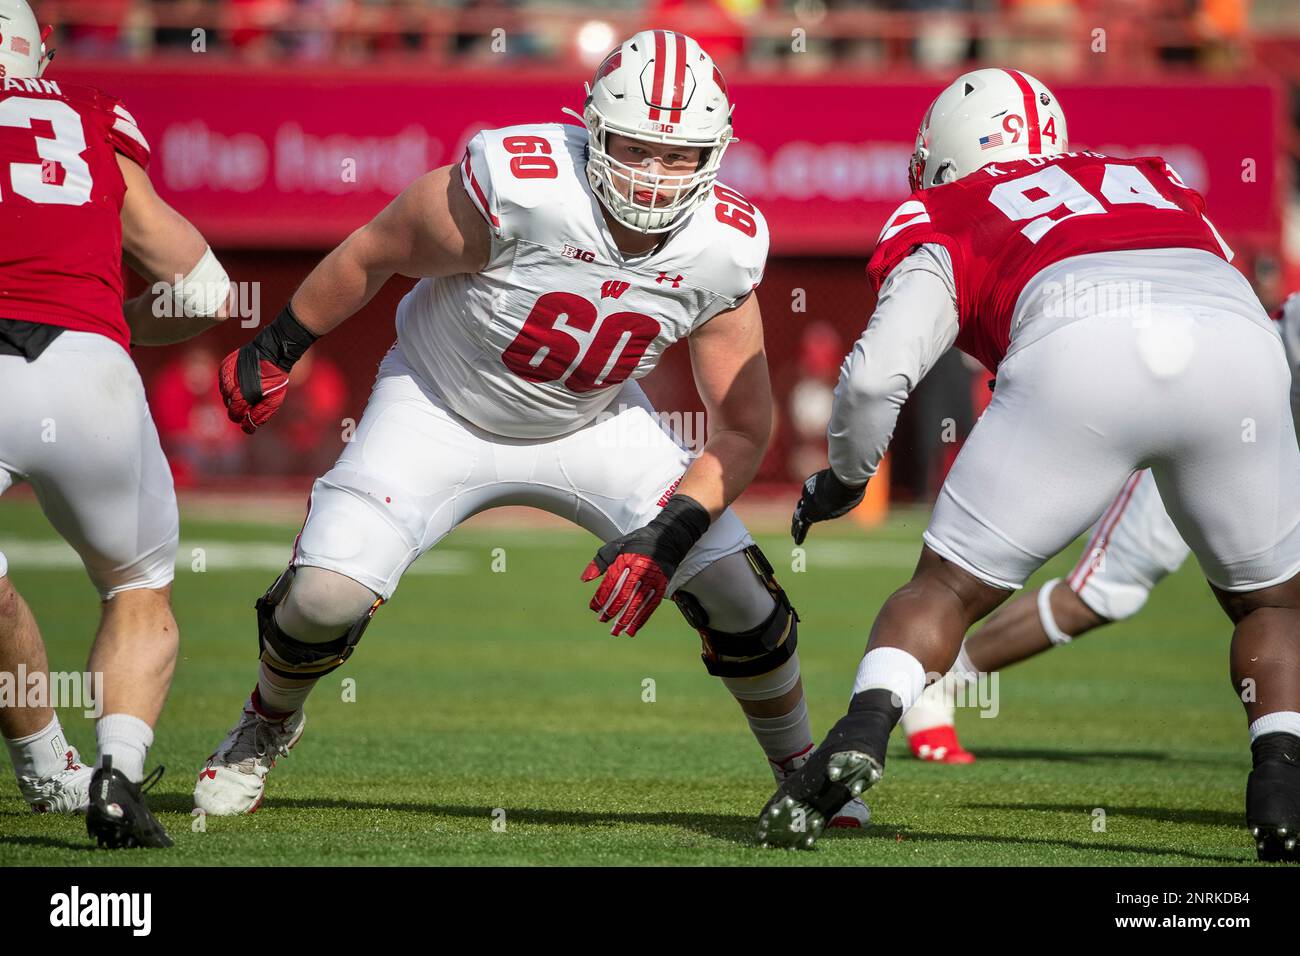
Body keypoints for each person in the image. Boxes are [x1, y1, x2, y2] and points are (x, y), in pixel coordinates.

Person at [193, 29, 869, 829]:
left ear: (714, 154)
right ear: (593, 131)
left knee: (736, 588)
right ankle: (266, 722)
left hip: (594, 423)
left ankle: (800, 770)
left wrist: (672, 530)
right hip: (438, 405)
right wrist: (279, 346)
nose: (653, 176)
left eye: (677, 156)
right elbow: (376, 250)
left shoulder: (721, 246)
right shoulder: (523, 184)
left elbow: (744, 428)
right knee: (322, 595)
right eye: (634, 147)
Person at [760, 68, 1300, 861]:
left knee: (943, 589)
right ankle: (1280, 781)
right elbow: (1222, 275)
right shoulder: (1146, 174)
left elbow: (877, 376)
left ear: (939, 155)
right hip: (1239, 349)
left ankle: (864, 729)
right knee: (1273, 607)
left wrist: (844, 475)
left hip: (1080, 358)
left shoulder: (946, 207)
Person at [0, 0, 232, 848]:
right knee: (136, 586)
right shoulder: (86, 116)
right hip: (85, 369)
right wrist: (107, 322)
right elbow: (202, 288)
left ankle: (41, 762)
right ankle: (112, 776)